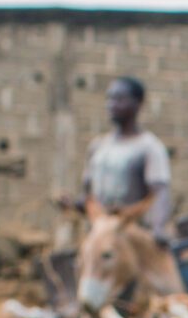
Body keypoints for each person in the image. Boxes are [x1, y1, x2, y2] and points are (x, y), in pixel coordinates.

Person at [74, 76, 173, 237]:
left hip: (132, 233)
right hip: (100, 232)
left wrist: (158, 227)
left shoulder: (149, 147)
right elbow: (87, 192)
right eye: (110, 98)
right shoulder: (98, 146)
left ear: (137, 103)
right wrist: (78, 204)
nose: (111, 104)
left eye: (119, 99)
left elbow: (160, 192)